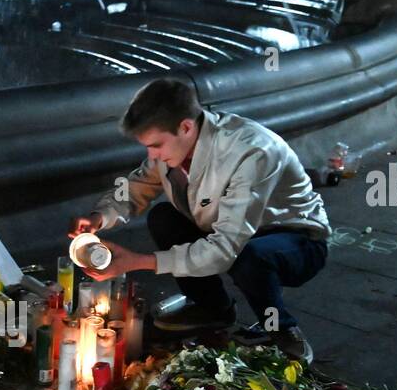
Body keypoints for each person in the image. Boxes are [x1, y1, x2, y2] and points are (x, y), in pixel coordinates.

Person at [69, 79, 330, 364]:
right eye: (147, 147)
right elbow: (135, 187)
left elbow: (225, 248)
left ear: (185, 127)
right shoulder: (176, 146)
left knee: (249, 257)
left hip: (296, 239)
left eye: (156, 145)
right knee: (163, 217)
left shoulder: (251, 152)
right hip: (233, 231)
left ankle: (281, 328)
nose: (151, 155)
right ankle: (213, 309)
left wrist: (139, 261)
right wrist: (100, 217)